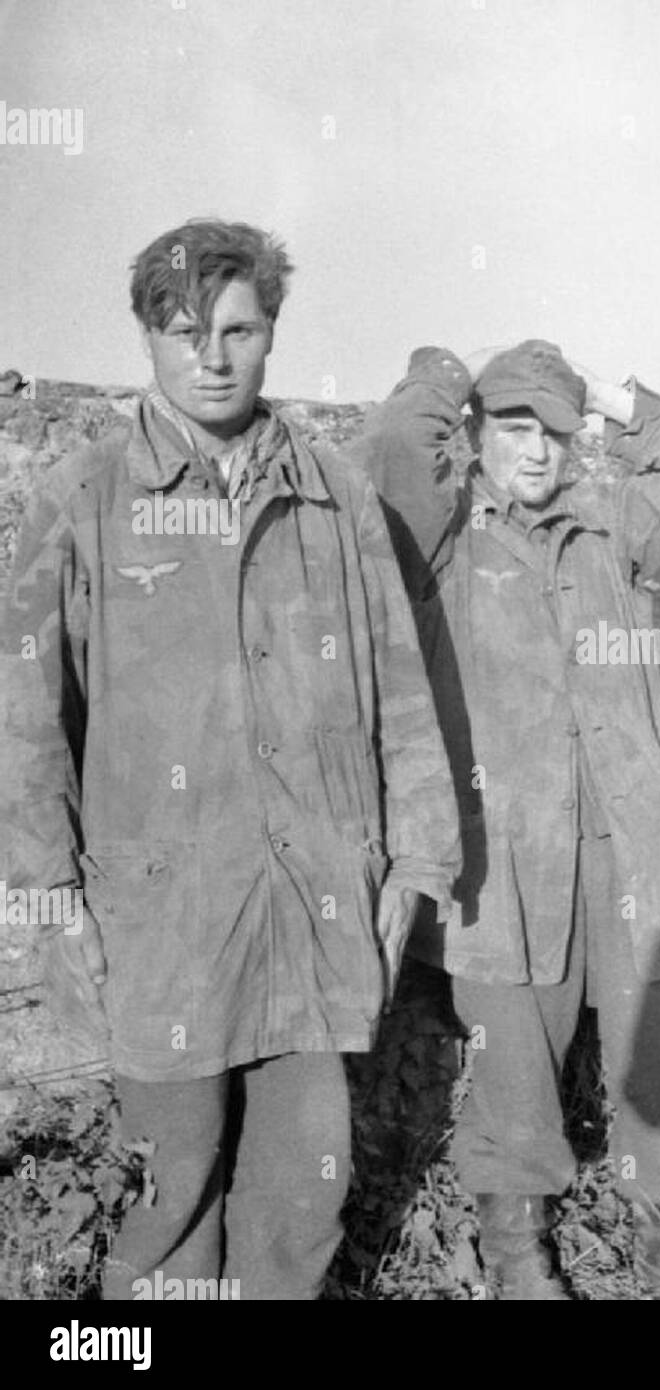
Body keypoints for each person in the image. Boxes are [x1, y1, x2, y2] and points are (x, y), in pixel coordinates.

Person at [0, 219, 460, 1300]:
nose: (211, 355)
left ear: (272, 335)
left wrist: (418, 865)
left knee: (306, 1185)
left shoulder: (335, 494)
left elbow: (402, 681)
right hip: (162, 920)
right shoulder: (84, 497)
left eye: (238, 329)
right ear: (147, 339)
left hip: (316, 907)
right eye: (182, 329)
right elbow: (23, 718)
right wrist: (49, 895)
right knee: (176, 1186)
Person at [354, 339, 660, 1298]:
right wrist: (446, 375)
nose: (536, 453)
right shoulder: (438, 535)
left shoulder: (610, 527)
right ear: (478, 435)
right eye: (515, 428)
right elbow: (393, 449)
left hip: (630, 853)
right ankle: (516, 1258)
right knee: (514, 1078)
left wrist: (615, 398)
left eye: (556, 432)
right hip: (505, 861)